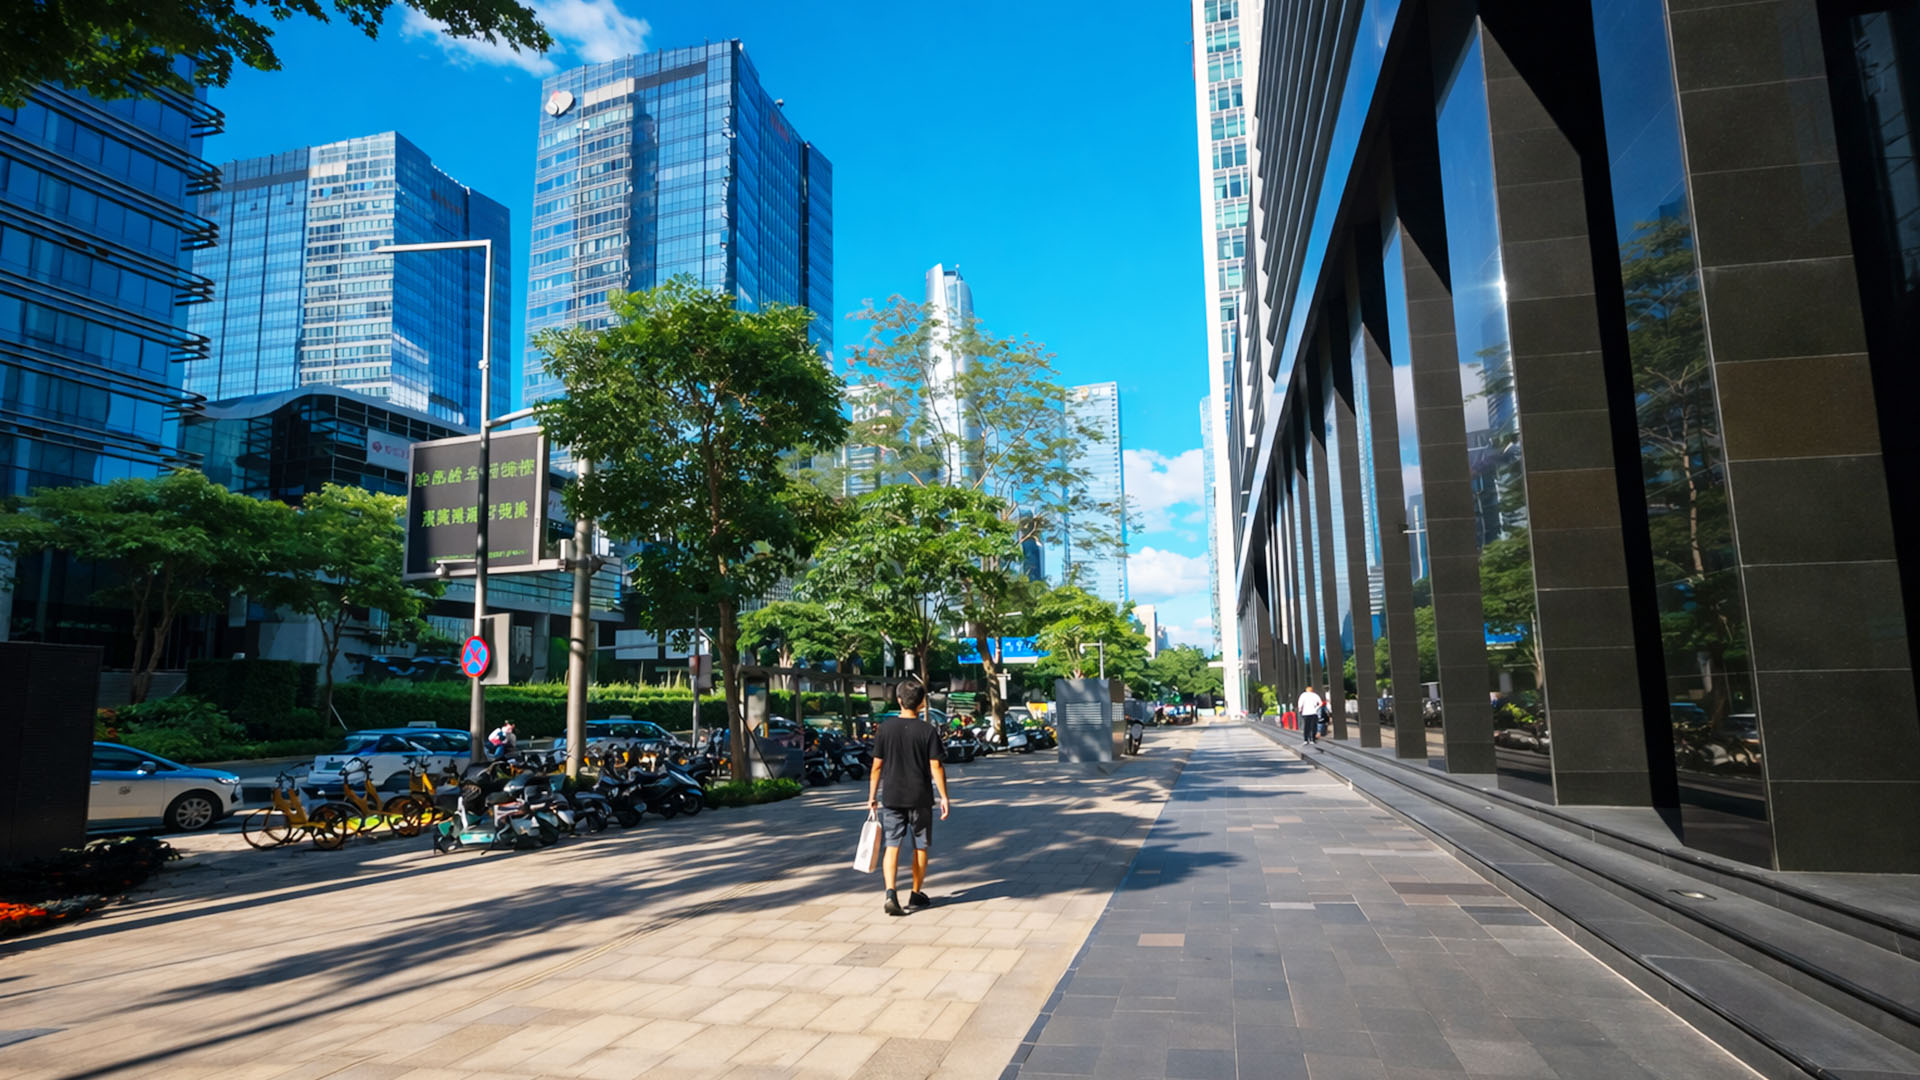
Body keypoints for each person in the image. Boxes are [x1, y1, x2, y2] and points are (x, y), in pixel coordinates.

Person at [867, 682, 952, 917]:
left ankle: (890, 893)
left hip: (892, 797)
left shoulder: (885, 729)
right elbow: (936, 766)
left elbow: (876, 767)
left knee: (892, 845)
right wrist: (944, 796)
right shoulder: (927, 730)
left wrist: (872, 796)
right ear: (922, 702)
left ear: (899, 700)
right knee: (920, 845)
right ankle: (916, 893)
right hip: (920, 797)